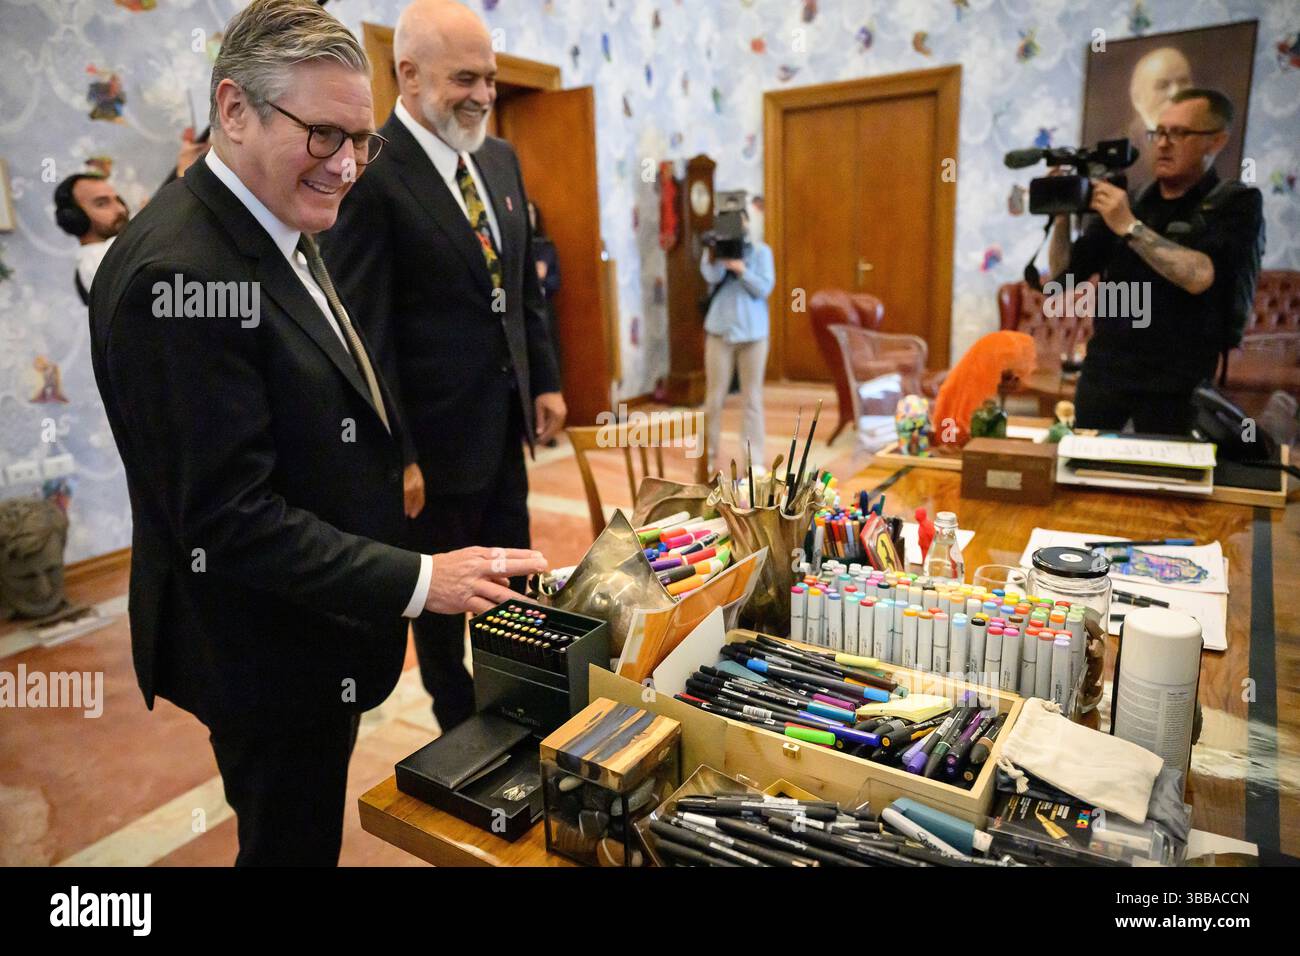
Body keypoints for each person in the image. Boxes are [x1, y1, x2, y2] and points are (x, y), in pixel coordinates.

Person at [88, 0, 546, 866]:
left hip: (314, 623)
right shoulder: (179, 277)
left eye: (361, 140)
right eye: (323, 136)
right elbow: (229, 522)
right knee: (288, 847)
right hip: (264, 647)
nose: (347, 167)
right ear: (233, 109)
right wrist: (421, 579)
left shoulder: (275, 219)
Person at [320, 0, 564, 734]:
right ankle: (461, 725)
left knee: (512, 575)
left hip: (505, 430)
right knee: (441, 599)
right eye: (466, 78)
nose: (484, 95)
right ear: (408, 73)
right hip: (430, 449)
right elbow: (364, 331)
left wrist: (544, 377)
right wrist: (400, 456)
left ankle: (521, 704)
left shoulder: (500, 157)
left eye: (489, 78)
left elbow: (523, 285)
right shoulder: (370, 174)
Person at [1047, 88, 1264, 436]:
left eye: (1179, 133)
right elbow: (1061, 279)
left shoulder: (1235, 203)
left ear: (1216, 141)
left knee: (1165, 484)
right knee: (1086, 475)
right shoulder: (1130, 201)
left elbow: (1199, 276)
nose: (1163, 144)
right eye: (1159, 132)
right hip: (1104, 374)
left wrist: (1130, 227)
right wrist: (1059, 218)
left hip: (1177, 384)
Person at [699, 207, 774, 475]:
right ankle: (706, 457)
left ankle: (754, 462)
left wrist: (742, 269)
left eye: (739, 226)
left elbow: (764, 288)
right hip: (720, 331)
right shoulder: (716, 250)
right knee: (714, 397)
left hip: (753, 334)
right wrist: (715, 256)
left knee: (752, 398)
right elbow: (710, 278)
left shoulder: (761, 252)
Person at [54, 172, 129, 304]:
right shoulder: (98, 258)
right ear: (75, 217)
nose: (120, 209)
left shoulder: (114, 248)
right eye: (101, 203)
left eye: (118, 200)